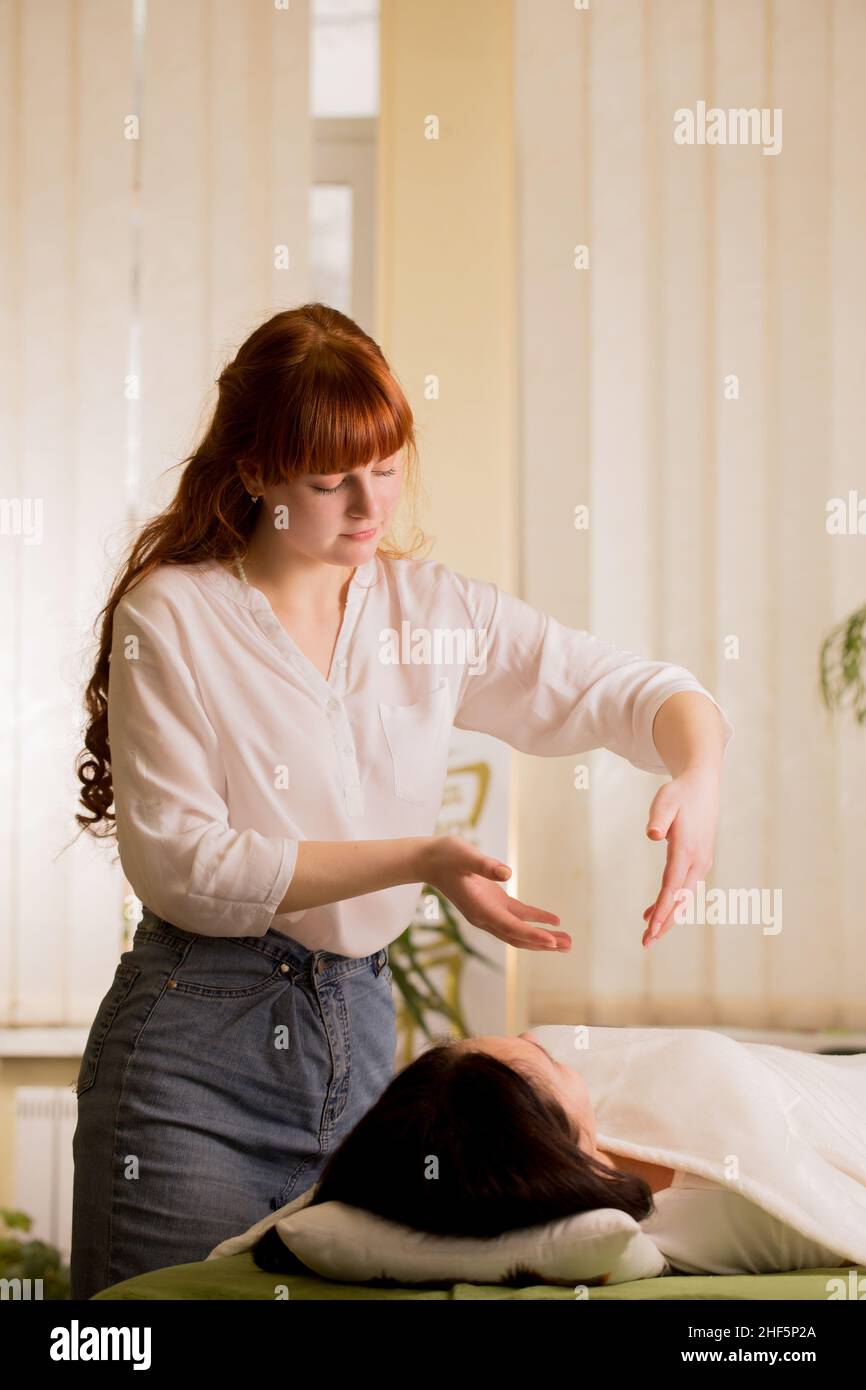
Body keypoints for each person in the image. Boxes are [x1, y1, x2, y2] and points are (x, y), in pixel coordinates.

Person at [70, 303, 732, 1298]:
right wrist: (417, 858)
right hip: (195, 1050)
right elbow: (182, 863)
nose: (368, 507)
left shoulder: (430, 613)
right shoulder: (171, 617)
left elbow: (629, 691)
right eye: (330, 480)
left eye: (384, 467)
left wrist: (697, 773)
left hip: (362, 1053)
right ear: (253, 472)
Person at [251, 1027, 863, 1278]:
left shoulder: (453, 1155)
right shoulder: (726, 1202)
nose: (548, 1045)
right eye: (547, 1060)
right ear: (561, 1143)